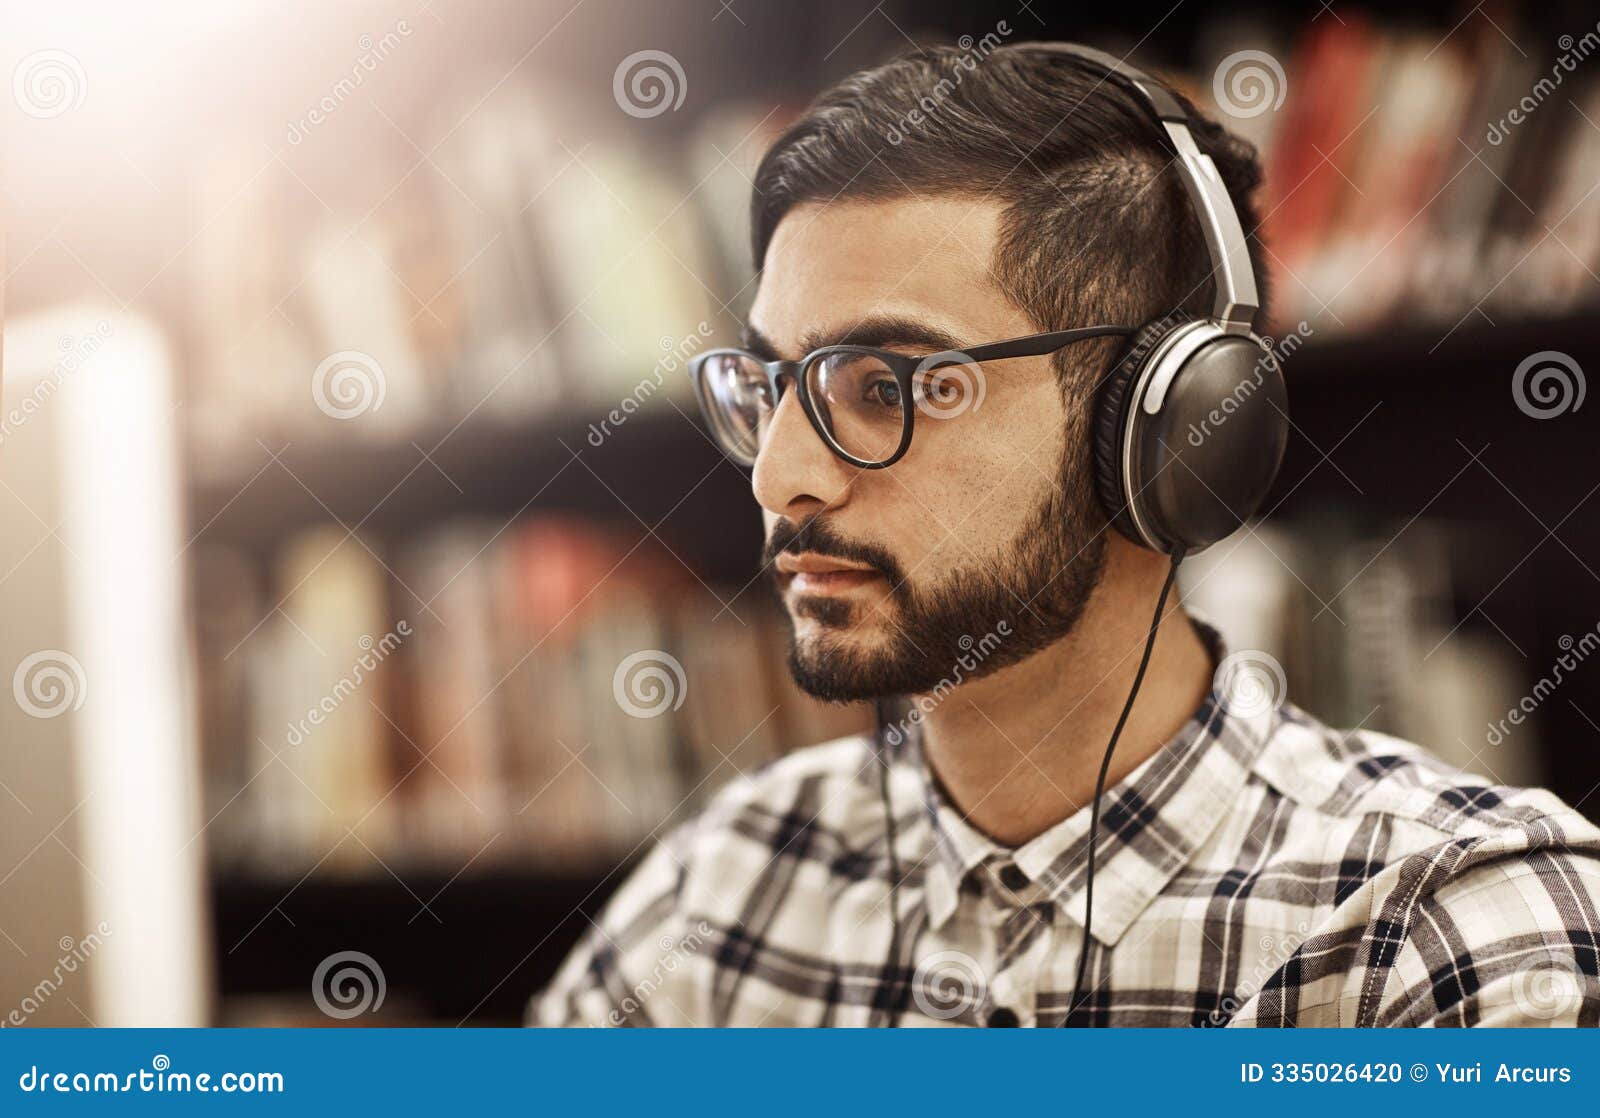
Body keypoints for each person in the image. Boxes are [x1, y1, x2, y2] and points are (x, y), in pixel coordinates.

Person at [530, 42, 1600, 1027]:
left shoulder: (1448, 936)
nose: (780, 474)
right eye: (771, 385)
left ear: (1169, 430)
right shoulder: (718, 894)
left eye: (891, 383)